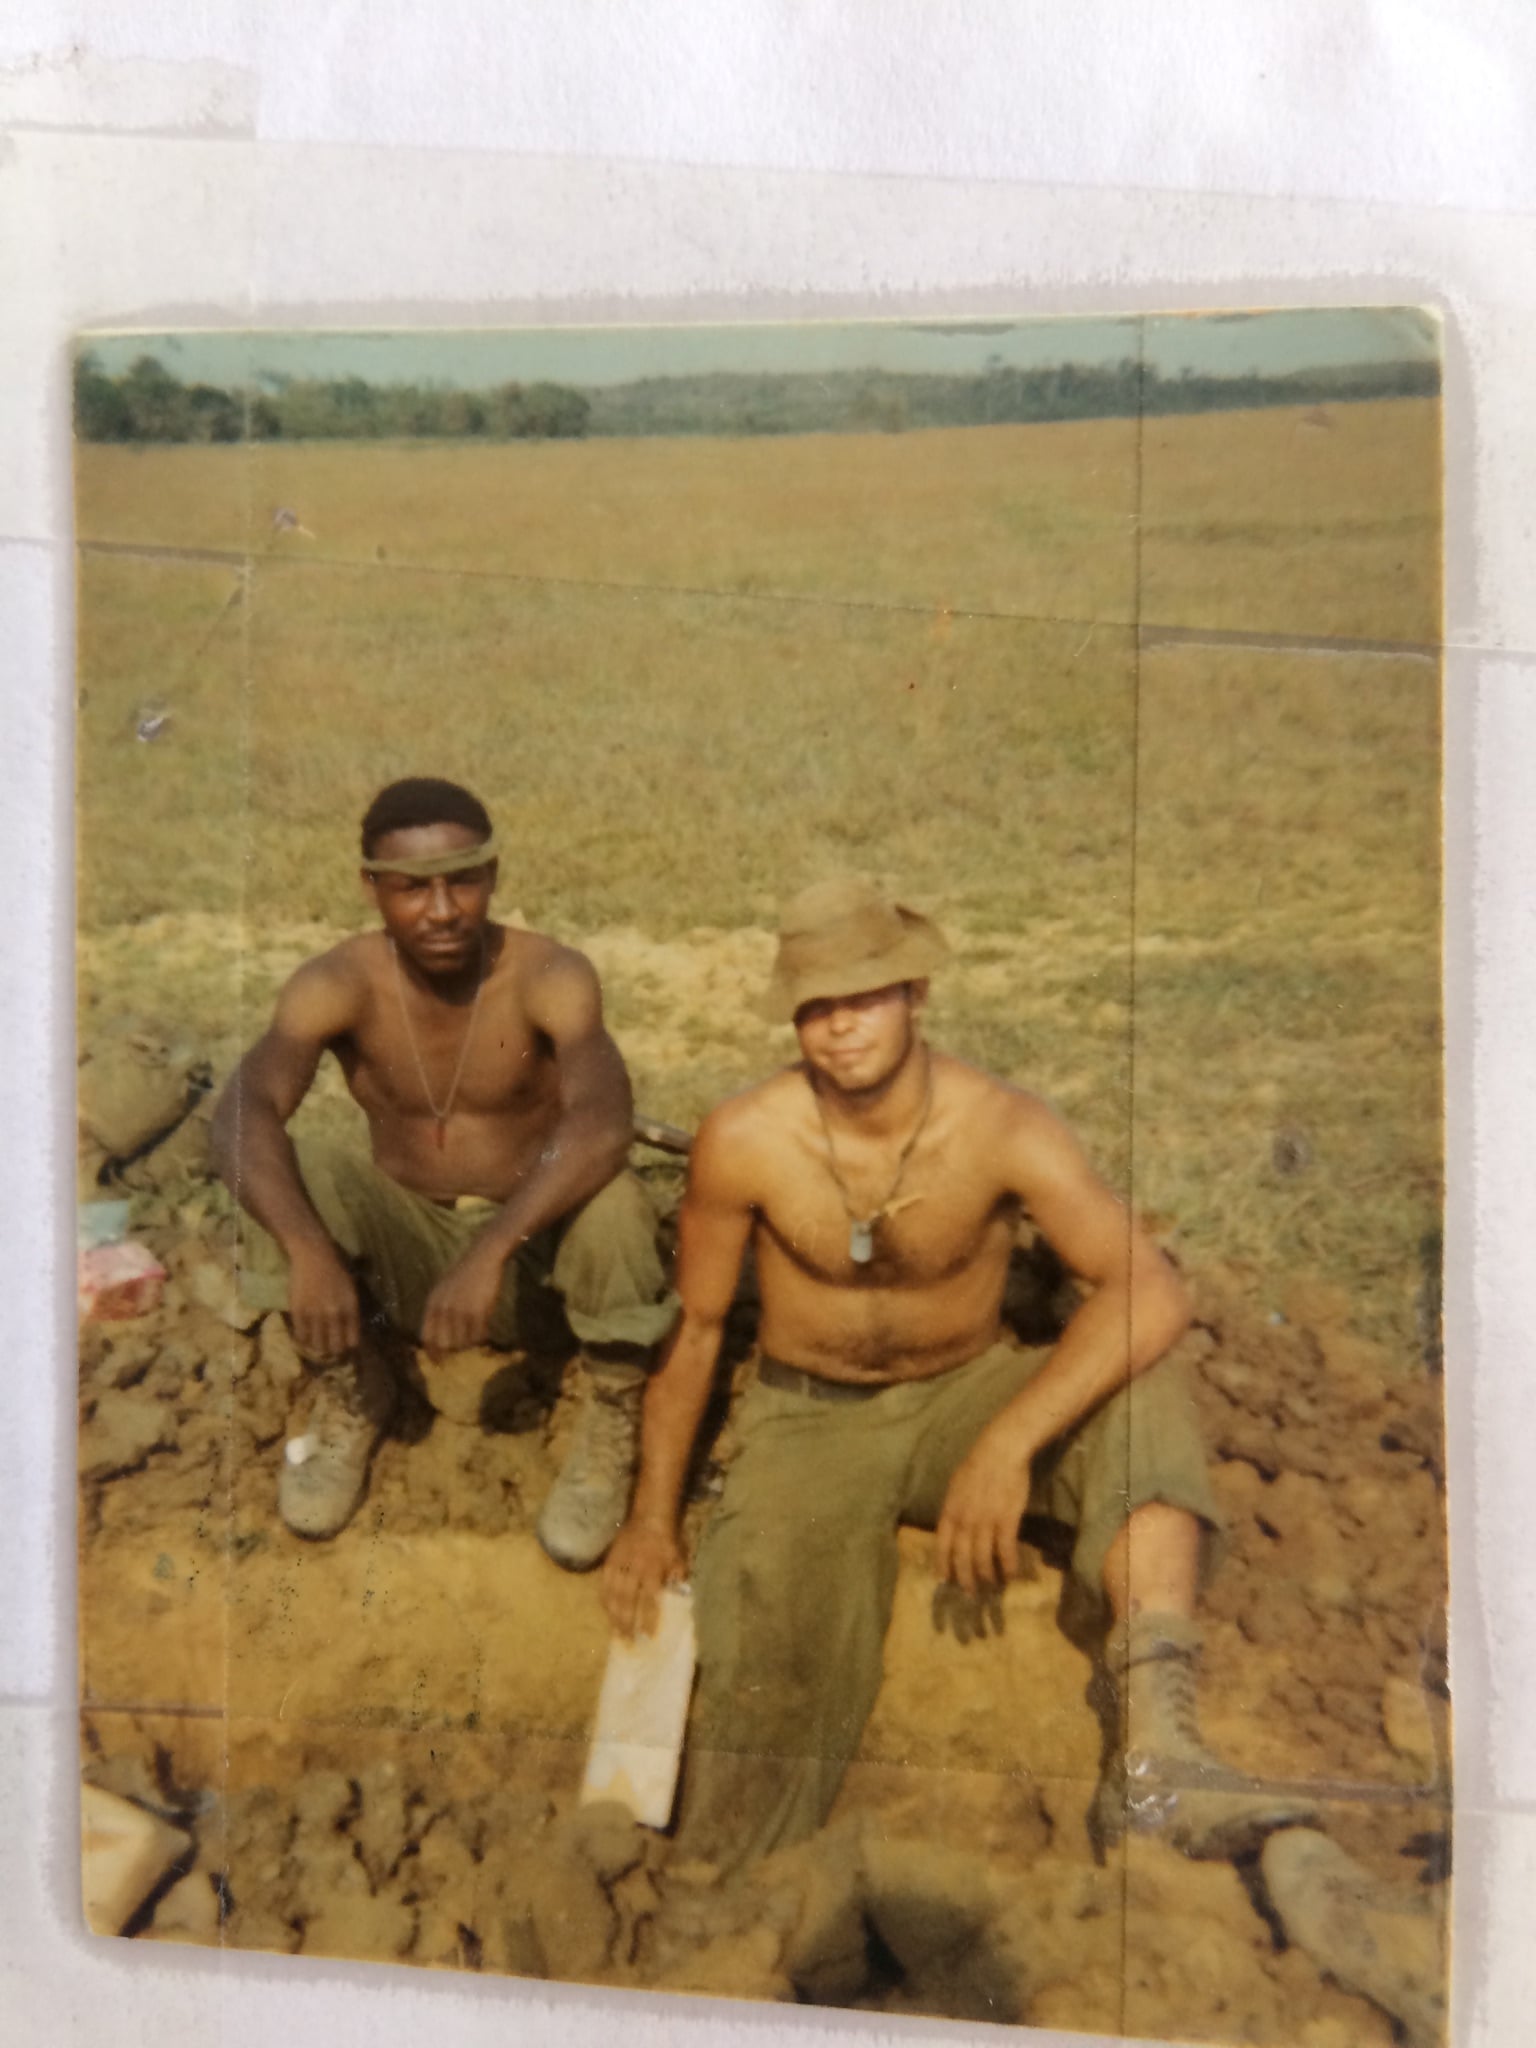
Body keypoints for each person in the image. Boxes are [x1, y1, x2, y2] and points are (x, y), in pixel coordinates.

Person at [602, 878, 1314, 1869]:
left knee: (1140, 1396)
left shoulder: (1003, 1125)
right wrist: (649, 1518)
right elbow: (700, 1330)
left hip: (962, 1391)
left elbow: (1147, 1288)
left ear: (916, 992)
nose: (841, 1022)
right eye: (816, 1002)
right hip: (808, 1420)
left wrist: (1007, 1440)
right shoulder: (746, 1137)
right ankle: (733, 1902)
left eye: (865, 994)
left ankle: (1163, 1757)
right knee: (773, 1673)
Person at [210, 776, 677, 1560]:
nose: (442, 909)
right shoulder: (338, 982)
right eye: (411, 888)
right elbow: (236, 1114)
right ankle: (355, 1390)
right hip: (411, 1275)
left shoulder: (548, 975)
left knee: (618, 1202)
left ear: (492, 876)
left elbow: (605, 1119)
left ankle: (611, 1415)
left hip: (535, 1270)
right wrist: (308, 1249)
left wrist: (492, 1248)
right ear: (371, 887)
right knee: (301, 1169)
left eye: (462, 880)